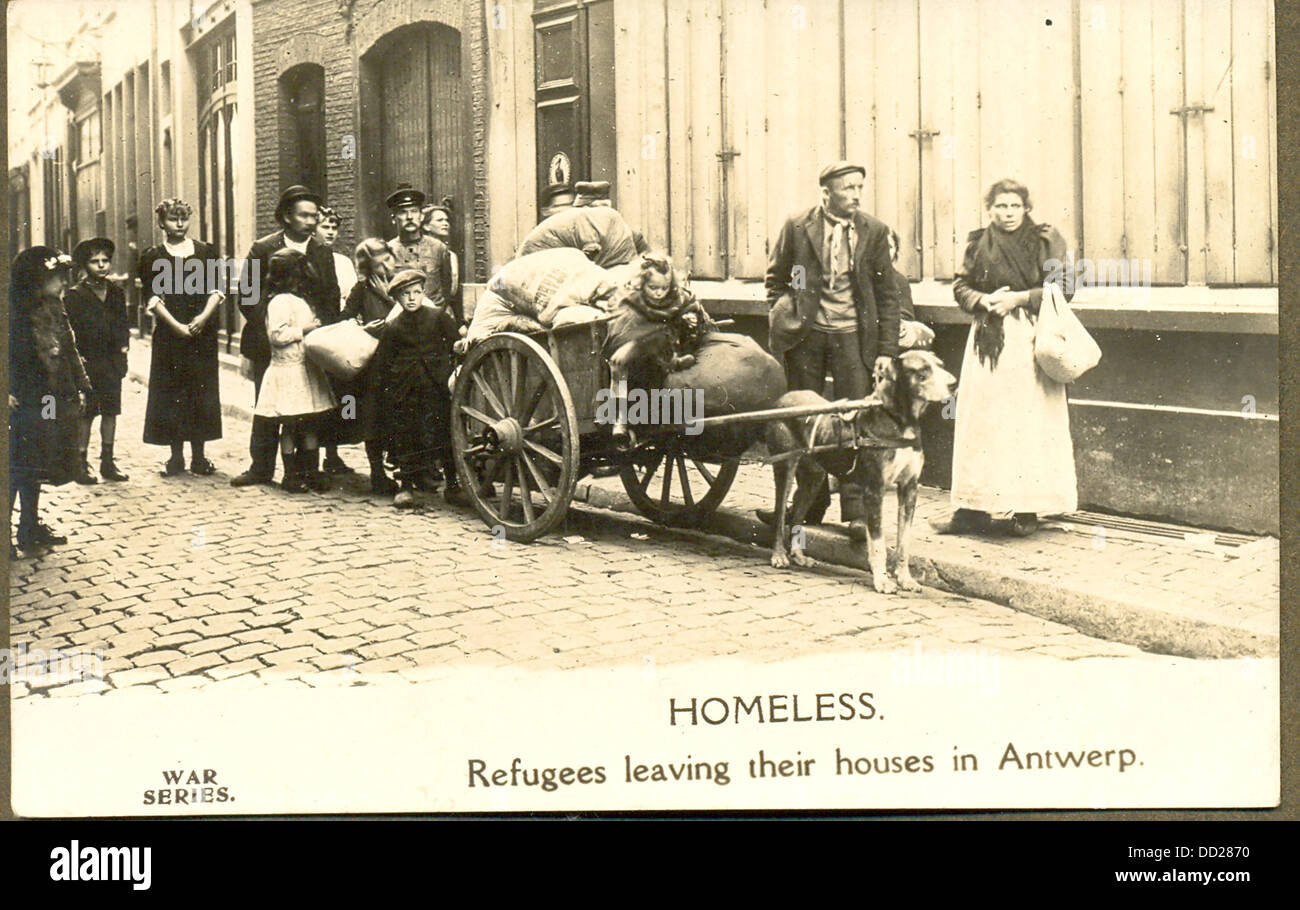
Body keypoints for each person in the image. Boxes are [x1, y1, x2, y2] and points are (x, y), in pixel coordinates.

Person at [763, 160, 902, 541]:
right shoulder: (797, 226)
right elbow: (776, 278)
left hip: (854, 337)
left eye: (860, 187)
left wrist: (886, 350)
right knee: (806, 419)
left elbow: (888, 295)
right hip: (806, 337)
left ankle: (855, 512)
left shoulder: (873, 231)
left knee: (855, 420)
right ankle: (810, 504)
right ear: (826, 192)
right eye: (848, 189)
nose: (856, 195)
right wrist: (784, 316)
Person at [933, 178, 1077, 538]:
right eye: (1001, 206)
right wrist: (982, 301)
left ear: (1026, 208)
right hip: (988, 342)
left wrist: (1020, 299)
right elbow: (961, 285)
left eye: (1014, 206)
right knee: (980, 421)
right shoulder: (978, 241)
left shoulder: (1045, 241)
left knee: (1027, 422)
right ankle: (972, 510)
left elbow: (1065, 288)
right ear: (990, 209)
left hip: (1028, 338)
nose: (1008, 213)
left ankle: (1026, 509)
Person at [231, 185, 339, 487]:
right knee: (269, 408)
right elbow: (247, 296)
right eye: (304, 215)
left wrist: (319, 328)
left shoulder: (322, 251)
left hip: (311, 343)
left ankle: (307, 470)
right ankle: (260, 468)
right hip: (271, 345)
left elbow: (332, 295)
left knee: (309, 409)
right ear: (287, 217)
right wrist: (273, 322)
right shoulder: (263, 248)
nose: (311, 221)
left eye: (314, 216)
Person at [9, 247, 91, 553]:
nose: (63, 284)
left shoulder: (56, 308)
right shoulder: (13, 311)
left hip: (48, 396)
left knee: (38, 458)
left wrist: (80, 386)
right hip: (21, 398)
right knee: (15, 464)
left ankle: (29, 527)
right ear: (36, 281)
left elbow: (68, 348)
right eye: (56, 278)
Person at [138, 199, 224, 477]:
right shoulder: (152, 256)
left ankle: (199, 457)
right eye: (173, 219)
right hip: (170, 337)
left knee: (200, 391)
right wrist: (177, 327)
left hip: (202, 335)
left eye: (183, 218)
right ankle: (176, 457)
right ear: (162, 223)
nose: (179, 224)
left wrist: (202, 318)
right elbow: (153, 299)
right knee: (172, 393)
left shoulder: (206, 253)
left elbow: (216, 289)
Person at [371, 268, 460, 508]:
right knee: (405, 434)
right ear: (397, 298)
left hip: (436, 385)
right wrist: (387, 390)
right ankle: (406, 485)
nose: (411, 298)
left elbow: (455, 345)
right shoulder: (393, 326)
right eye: (405, 294)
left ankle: (453, 484)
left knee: (444, 431)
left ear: (423, 293)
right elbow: (384, 361)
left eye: (416, 292)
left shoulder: (438, 317)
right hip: (405, 389)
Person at [253, 249, 337, 494]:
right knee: (290, 425)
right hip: (288, 371)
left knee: (309, 423)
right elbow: (277, 335)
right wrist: (306, 328)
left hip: (306, 369)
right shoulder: (278, 302)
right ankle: (291, 474)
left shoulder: (300, 300)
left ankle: (310, 470)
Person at [65, 237, 131, 483]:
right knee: (87, 412)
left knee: (111, 410)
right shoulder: (75, 295)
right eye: (95, 261)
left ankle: (107, 461)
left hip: (112, 361)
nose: (102, 265)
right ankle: (80, 463)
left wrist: (124, 351)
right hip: (88, 362)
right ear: (84, 265)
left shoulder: (115, 292)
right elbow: (70, 331)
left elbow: (123, 324)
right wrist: (77, 364)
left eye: (105, 261)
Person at [342, 237, 401, 494]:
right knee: (374, 420)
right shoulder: (362, 289)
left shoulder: (401, 284)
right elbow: (343, 321)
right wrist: (363, 328)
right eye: (383, 260)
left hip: (401, 359)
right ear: (369, 265)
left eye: (390, 257)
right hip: (374, 365)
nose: (390, 263)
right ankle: (377, 473)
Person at [385, 183, 457, 322]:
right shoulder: (387, 251)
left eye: (414, 211)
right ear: (394, 219)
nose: (409, 217)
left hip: (434, 321)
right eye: (403, 212)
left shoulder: (438, 248)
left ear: (421, 216)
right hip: (401, 323)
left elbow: (446, 288)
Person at [421, 197, 462, 324]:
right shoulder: (420, 253)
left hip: (442, 312)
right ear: (426, 226)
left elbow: (452, 293)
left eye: (447, 220)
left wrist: (460, 322)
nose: (445, 224)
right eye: (439, 220)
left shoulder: (451, 255)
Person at [316, 206, 357, 306]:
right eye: (325, 227)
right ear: (313, 230)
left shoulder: (344, 262)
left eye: (334, 228)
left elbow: (353, 296)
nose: (330, 232)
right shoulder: (303, 259)